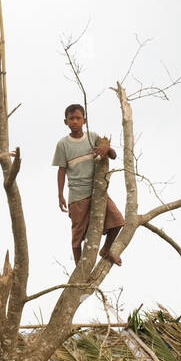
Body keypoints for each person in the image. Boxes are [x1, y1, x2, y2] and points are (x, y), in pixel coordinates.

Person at [52, 103, 124, 265]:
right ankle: (80, 269)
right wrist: (60, 194)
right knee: (78, 236)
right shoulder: (63, 144)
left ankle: (106, 249)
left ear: (84, 120)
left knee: (118, 220)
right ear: (66, 122)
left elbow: (112, 155)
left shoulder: (93, 137)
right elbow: (61, 170)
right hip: (77, 196)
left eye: (78, 118)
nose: (75, 122)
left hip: (98, 193)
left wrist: (107, 148)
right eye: (71, 119)